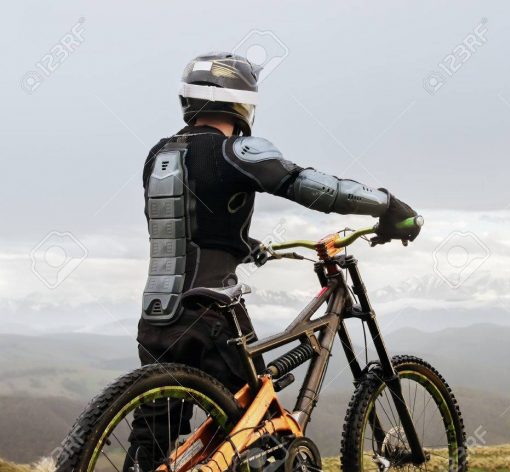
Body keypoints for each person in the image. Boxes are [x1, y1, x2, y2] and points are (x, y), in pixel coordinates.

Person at [124, 52, 420, 470]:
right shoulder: (235, 151)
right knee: (262, 431)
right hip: (210, 314)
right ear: (241, 103)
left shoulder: (159, 156)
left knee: (151, 441)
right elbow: (311, 186)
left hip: (156, 318)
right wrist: (386, 205)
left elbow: (189, 224)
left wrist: (244, 244)